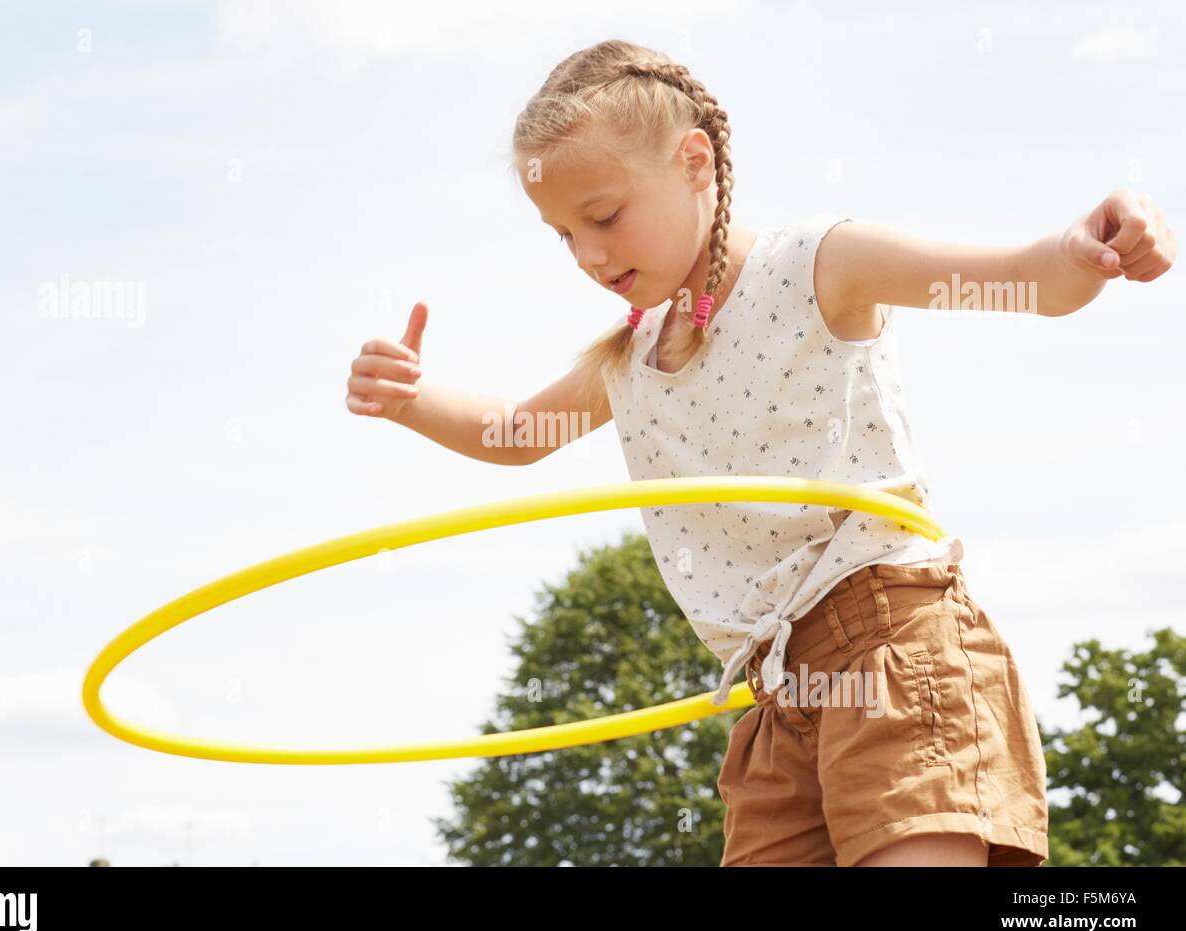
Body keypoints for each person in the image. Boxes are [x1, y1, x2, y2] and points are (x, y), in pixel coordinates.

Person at [344, 39, 1175, 866]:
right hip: (779, 704)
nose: (589, 255)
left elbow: (1016, 279)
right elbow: (520, 435)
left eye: (603, 216)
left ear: (695, 163)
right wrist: (412, 402)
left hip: (893, 651)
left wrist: (1085, 251)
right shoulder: (630, 356)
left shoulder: (815, 265)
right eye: (562, 235)